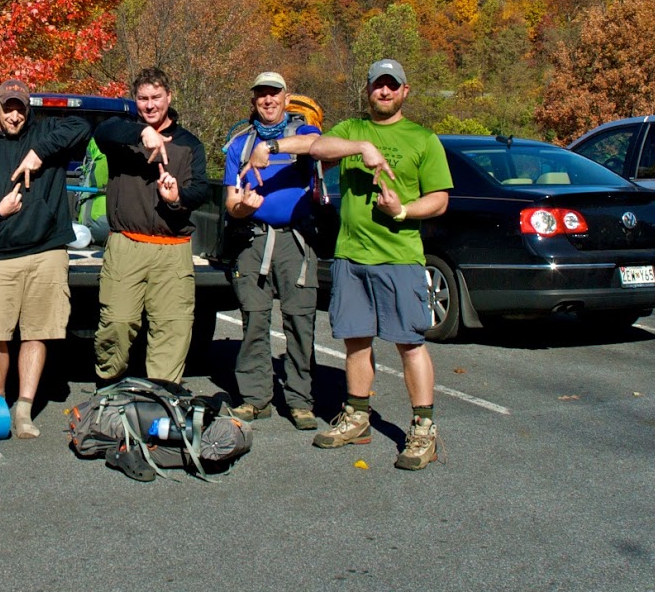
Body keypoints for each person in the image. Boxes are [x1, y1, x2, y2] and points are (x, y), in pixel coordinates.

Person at [250, 57, 451, 469]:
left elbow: (439, 199)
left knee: (410, 344)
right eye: (378, 84)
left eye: (392, 85)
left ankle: (423, 428)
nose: (384, 91)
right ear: (368, 89)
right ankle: (358, 416)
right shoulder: (352, 130)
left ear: (405, 91)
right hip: (351, 256)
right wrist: (273, 146)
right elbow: (316, 147)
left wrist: (402, 211)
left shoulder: (423, 139)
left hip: (399, 257)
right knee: (356, 340)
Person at [0, 79, 92, 438]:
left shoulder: (45, 133)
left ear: (27, 109)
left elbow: (81, 125)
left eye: (20, 108)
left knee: (38, 331)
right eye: (8, 108)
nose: (14, 115)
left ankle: (24, 409)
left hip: (46, 251)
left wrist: (39, 153)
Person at [92, 67, 210, 385]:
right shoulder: (122, 137)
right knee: (116, 322)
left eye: (156, 97)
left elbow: (201, 189)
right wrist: (143, 133)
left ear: (169, 97)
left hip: (172, 249)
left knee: (172, 328)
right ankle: (109, 386)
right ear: (135, 100)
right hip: (126, 246)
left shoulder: (189, 144)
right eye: (143, 98)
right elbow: (102, 132)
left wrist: (178, 196)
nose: (149, 104)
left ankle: (162, 394)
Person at [223, 71, 322, 430]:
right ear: (254, 100)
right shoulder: (239, 144)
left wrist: (273, 148)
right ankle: (255, 398)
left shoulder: (303, 132)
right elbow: (231, 203)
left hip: (296, 241)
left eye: (274, 93)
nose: (268, 100)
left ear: (286, 98)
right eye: (262, 94)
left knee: (299, 320)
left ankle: (300, 400)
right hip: (253, 240)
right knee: (254, 319)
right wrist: (243, 207)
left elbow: (316, 146)